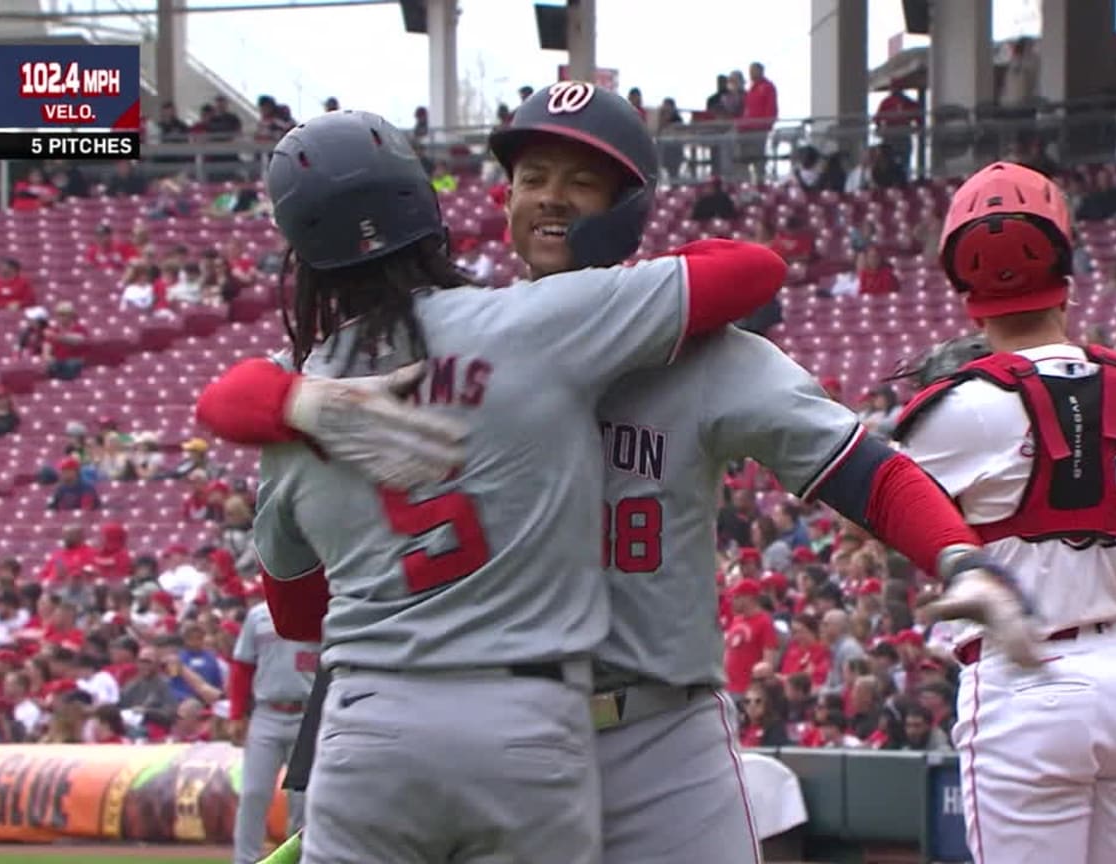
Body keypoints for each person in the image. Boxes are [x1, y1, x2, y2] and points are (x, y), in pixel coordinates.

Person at [201, 87, 1035, 864]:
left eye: (583, 182)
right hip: (502, 726)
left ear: (630, 210)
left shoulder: (705, 352)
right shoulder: (462, 337)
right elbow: (261, 410)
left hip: (657, 736)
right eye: (533, 177)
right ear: (502, 200)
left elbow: (863, 470)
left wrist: (957, 555)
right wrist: (284, 399)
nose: (552, 198)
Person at [241, 99, 783, 864]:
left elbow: (298, 614)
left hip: (371, 726)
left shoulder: (292, 408)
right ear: (431, 211)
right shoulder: (524, 324)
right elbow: (755, 269)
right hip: (524, 716)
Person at [890, 162, 1116, 864]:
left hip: (1022, 677)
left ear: (960, 279)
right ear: (1064, 255)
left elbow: (874, 512)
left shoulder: (959, 407)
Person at [230, 602, 319, 864]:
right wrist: (236, 713)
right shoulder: (258, 615)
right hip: (267, 712)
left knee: (303, 800)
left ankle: (302, 860)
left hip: (308, 714)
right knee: (253, 793)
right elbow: (242, 667)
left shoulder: (319, 609)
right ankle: (244, 860)